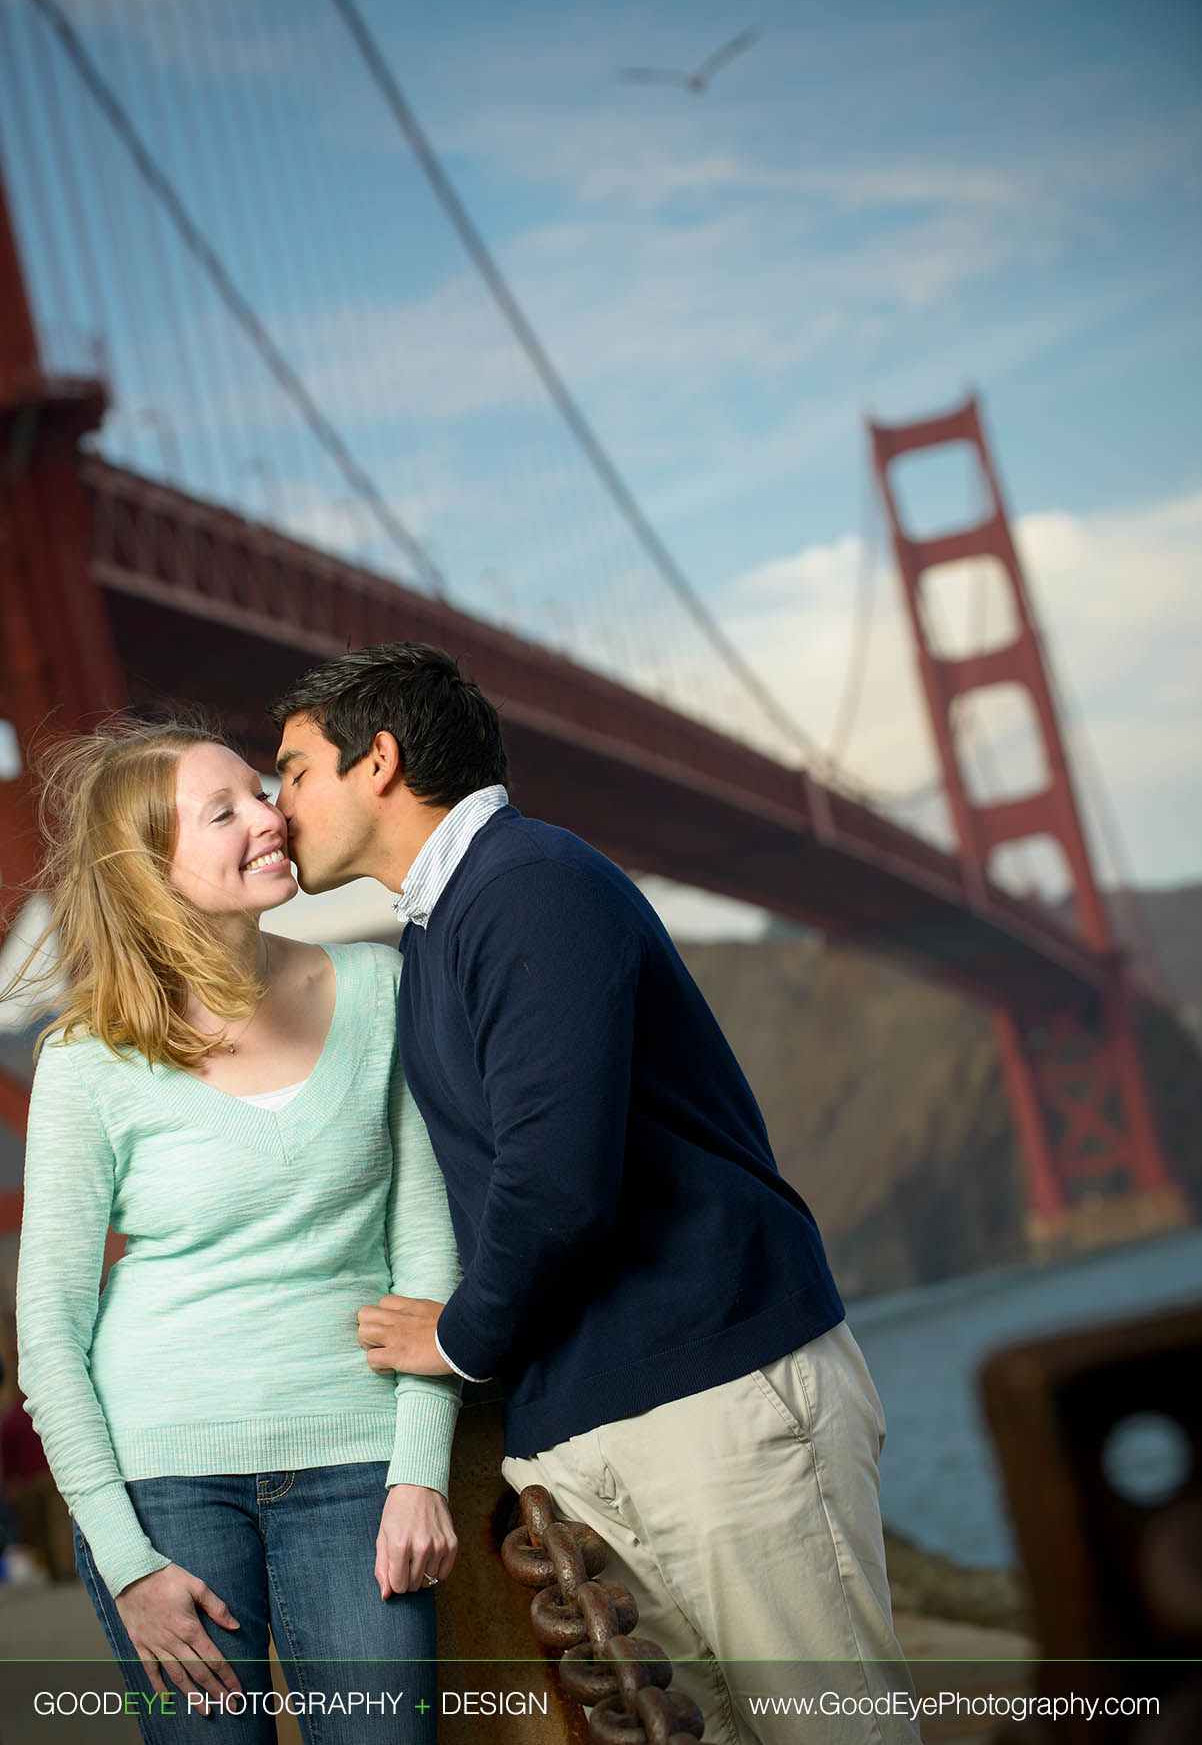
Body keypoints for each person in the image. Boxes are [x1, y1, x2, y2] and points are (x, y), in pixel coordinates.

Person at [268, 642, 919, 1745]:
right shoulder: (440, 930)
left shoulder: (527, 887)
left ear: (375, 762)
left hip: (714, 1403)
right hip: (600, 1423)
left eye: (290, 770)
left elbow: (555, 1183)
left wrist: (463, 1339)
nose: (275, 804)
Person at [15, 720, 460, 1745]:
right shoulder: (86, 1064)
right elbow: (51, 1330)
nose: (272, 815)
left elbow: (424, 1248)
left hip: (358, 1464)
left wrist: (416, 1473)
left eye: (261, 790)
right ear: (150, 872)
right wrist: (126, 1561)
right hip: (161, 1482)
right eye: (225, 811)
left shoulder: (379, 990)